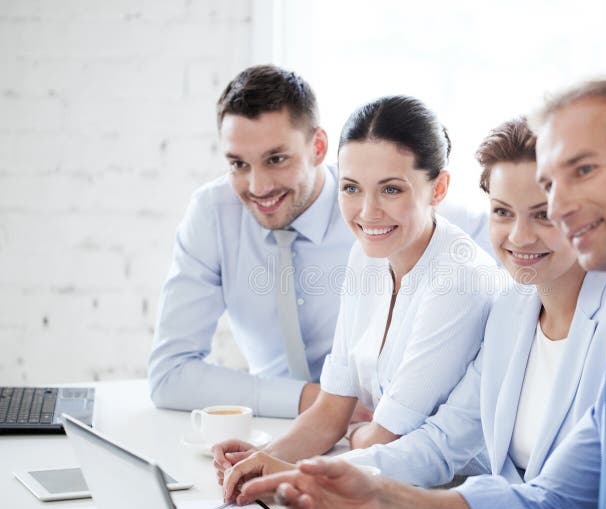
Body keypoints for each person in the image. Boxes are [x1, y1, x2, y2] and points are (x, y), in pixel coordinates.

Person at [235, 78, 606, 509]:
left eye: (584, 171)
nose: (563, 204)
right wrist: (377, 500)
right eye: (554, 181)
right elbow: (554, 503)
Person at [147, 65, 488, 419]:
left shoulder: (384, 206)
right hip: (278, 423)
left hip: (389, 430)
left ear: (319, 147)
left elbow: (512, 244)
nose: (258, 186)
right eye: (238, 164)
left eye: (276, 159)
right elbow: (169, 375)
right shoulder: (213, 213)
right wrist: (320, 403)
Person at [212, 95, 499, 483]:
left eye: (391, 190)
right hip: (368, 484)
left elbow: (384, 439)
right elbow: (332, 409)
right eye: (350, 189)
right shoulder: (367, 258)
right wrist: (264, 459)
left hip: (444, 498)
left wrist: (314, 458)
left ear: (439, 188)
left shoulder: (459, 279)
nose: (367, 212)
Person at [328, 117, 606, 488]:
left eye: (543, 214)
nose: (520, 236)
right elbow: (444, 442)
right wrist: (310, 476)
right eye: (502, 211)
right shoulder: (510, 312)